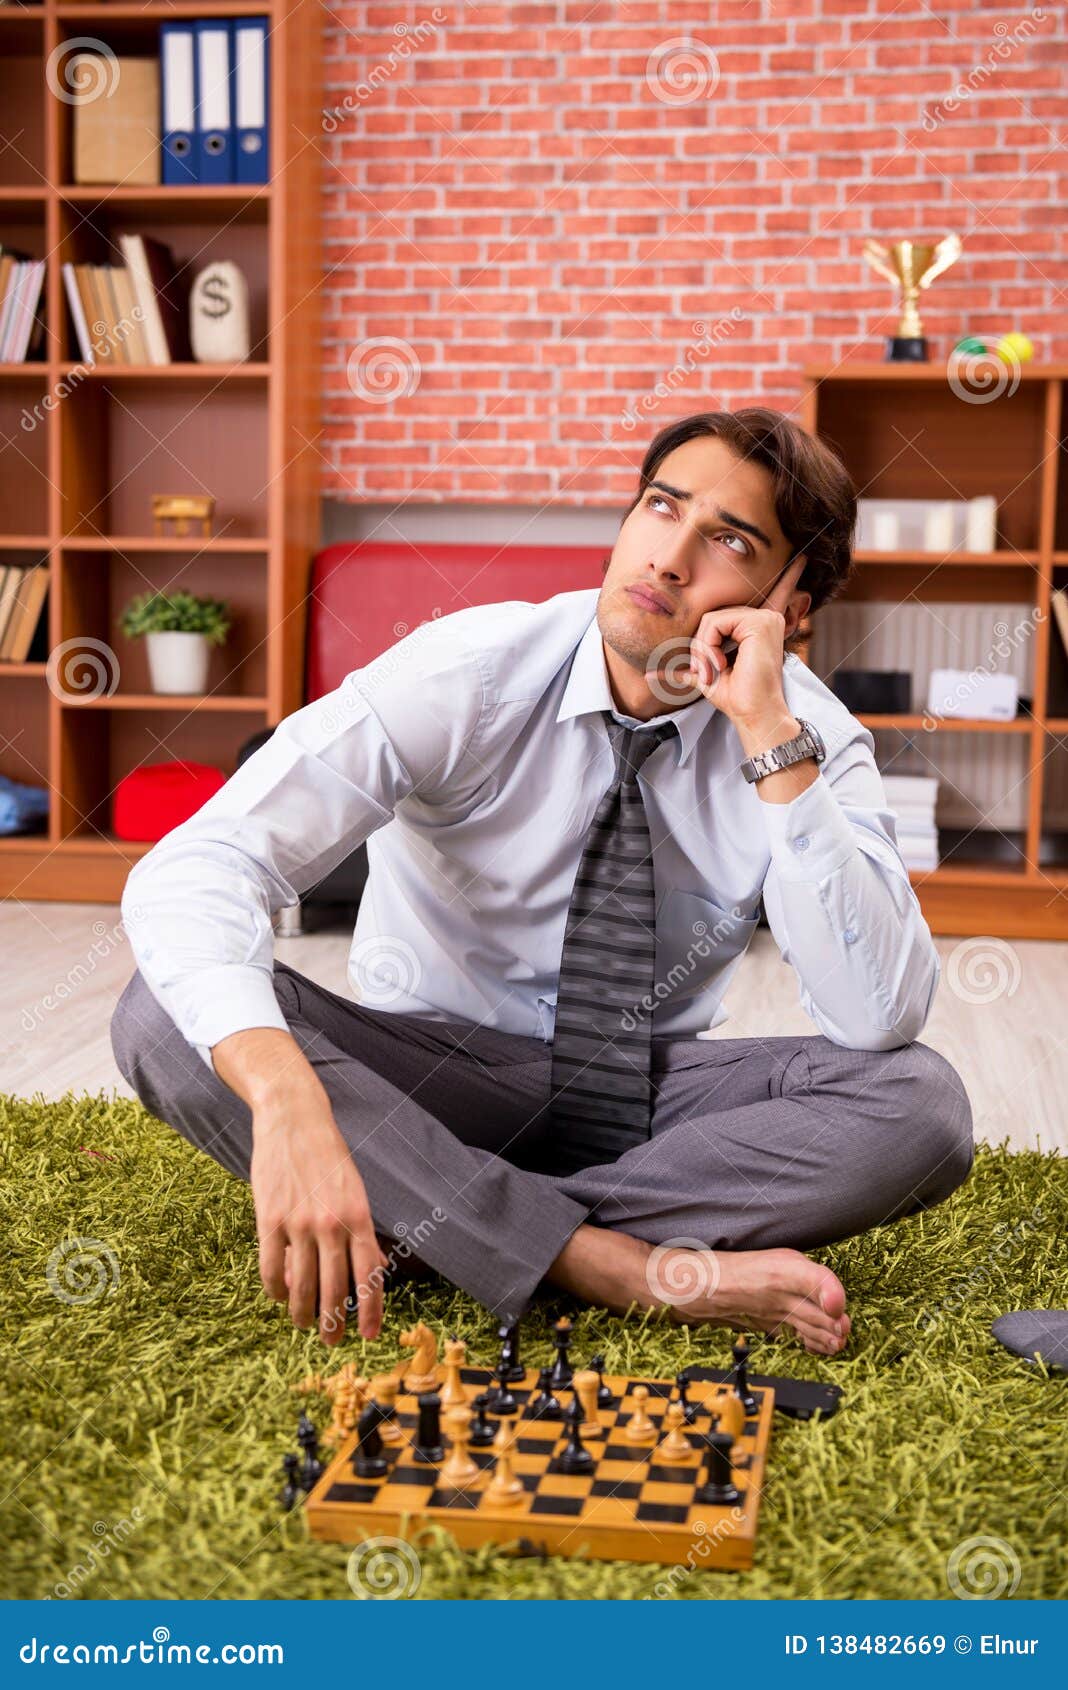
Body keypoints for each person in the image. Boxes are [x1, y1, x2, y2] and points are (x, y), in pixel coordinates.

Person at [110, 408, 974, 1358]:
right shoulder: (468, 670)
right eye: (661, 508)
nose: (669, 558)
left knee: (918, 1107)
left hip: (646, 1098)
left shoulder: (809, 737)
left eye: (729, 540)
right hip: (429, 1076)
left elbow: (878, 1016)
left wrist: (770, 738)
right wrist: (284, 1096)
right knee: (163, 1018)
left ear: (791, 604)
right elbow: (201, 864)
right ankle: (615, 1267)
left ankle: (435, 1220)